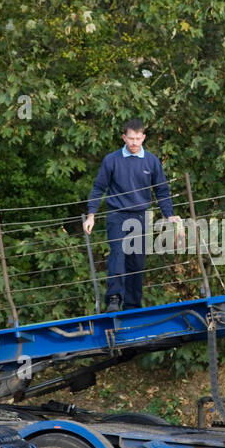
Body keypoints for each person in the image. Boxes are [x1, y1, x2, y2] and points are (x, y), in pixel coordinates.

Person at [84, 119, 180, 311]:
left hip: (140, 215)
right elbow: (98, 188)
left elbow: (162, 191)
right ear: (124, 138)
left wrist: (169, 215)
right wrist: (91, 214)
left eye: (138, 138)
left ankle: (132, 305)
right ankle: (114, 299)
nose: (134, 143)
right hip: (117, 214)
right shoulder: (111, 160)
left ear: (143, 137)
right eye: (131, 139)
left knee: (136, 261)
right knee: (118, 255)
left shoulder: (151, 161)